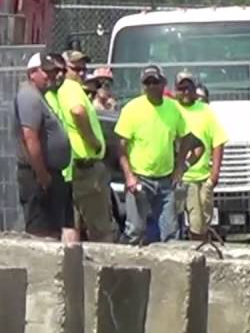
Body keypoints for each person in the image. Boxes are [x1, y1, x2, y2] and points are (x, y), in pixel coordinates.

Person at [114, 65, 201, 245]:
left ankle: (173, 271)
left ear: (164, 83)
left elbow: (186, 138)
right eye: (147, 83)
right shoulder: (132, 108)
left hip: (166, 180)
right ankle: (126, 268)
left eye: (155, 82)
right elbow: (121, 146)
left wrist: (180, 167)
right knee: (135, 230)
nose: (151, 86)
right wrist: (129, 176)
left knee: (171, 232)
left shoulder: (173, 108)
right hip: (139, 179)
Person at [57, 50, 116, 243]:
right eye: (76, 68)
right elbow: (78, 112)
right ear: (65, 69)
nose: (81, 72)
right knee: (101, 228)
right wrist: (94, 142)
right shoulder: (71, 88)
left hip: (76, 169)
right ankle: (107, 270)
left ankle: (72, 269)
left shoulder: (69, 89)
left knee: (73, 225)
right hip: (86, 167)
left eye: (84, 68)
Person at [13, 52, 73, 239]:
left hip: (50, 175)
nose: (52, 77)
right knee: (41, 234)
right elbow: (30, 137)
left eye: (55, 72)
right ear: (33, 73)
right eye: (47, 72)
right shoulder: (28, 96)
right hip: (38, 178)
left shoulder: (40, 96)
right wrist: (42, 176)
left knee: (55, 233)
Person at [173, 71, 227, 240]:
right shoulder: (171, 109)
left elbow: (218, 141)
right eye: (181, 88)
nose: (185, 92)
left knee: (202, 222)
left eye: (188, 88)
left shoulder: (206, 111)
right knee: (185, 222)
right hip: (181, 177)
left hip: (203, 176)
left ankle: (200, 253)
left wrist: (214, 175)